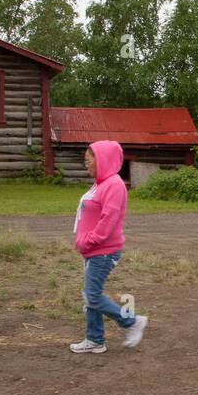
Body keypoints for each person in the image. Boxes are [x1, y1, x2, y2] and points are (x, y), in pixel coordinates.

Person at [70, 140, 148, 354]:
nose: (86, 164)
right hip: (93, 251)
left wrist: (88, 241)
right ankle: (95, 339)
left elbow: (108, 221)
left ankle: (131, 322)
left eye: (89, 160)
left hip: (102, 252)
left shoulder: (114, 185)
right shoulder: (101, 183)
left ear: (102, 159)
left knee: (92, 296)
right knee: (90, 295)